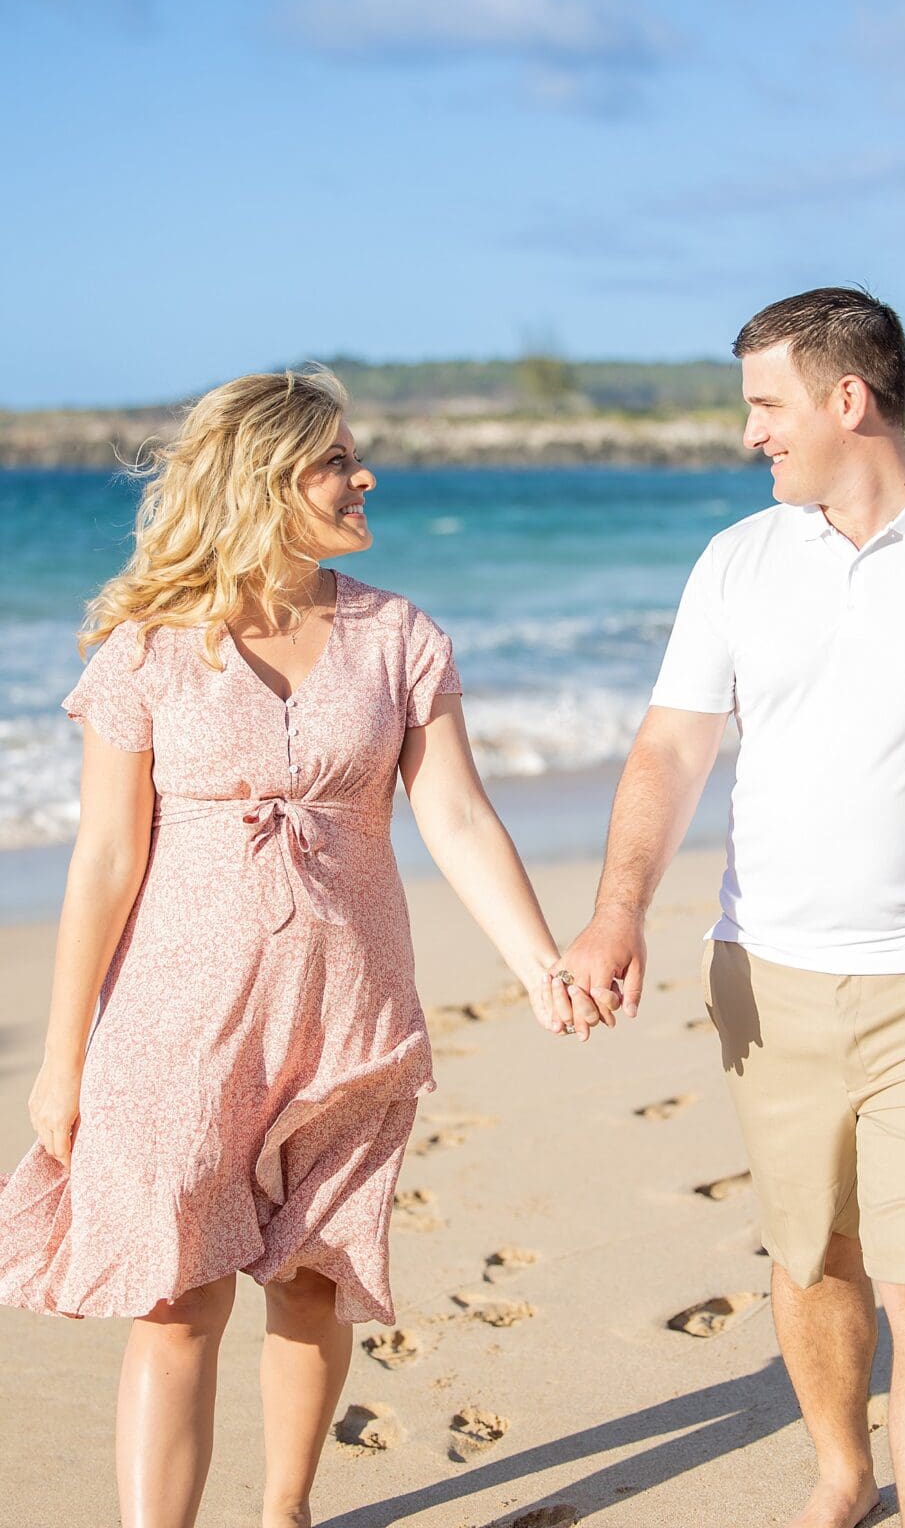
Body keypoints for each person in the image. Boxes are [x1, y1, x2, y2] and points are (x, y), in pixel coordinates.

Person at [0, 365, 602, 1528]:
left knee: (317, 1279)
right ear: (261, 482)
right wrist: (60, 1060)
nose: (364, 474)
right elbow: (106, 862)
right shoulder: (150, 647)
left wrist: (541, 963)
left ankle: (286, 1511)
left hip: (351, 1012)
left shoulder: (397, 636)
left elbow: (458, 816)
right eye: (336, 459)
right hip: (174, 1022)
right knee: (173, 1301)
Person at [557, 288, 905, 1528]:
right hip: (766, 974)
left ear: (846, 400)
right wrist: (617, 915)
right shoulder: (736, 562)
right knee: (813, 1256)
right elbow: (668, 751)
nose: (750, 432)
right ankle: (838, 1474)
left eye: (766, 404)